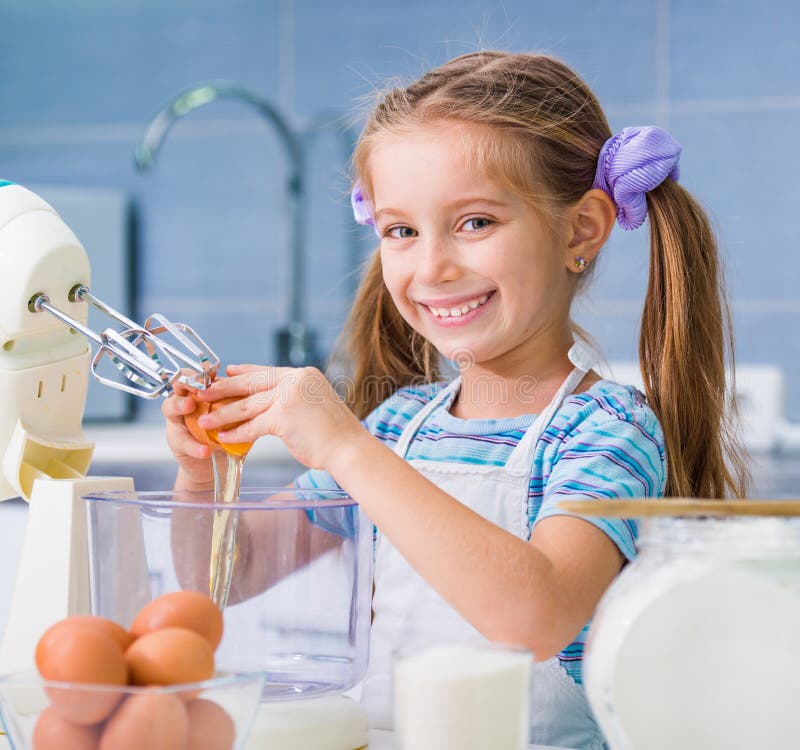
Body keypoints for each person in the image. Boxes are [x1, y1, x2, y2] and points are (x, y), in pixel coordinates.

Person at [162, 51, 748, 749]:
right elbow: (229, 576)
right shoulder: (400, 425)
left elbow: (537, 617)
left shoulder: (606, 431)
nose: (432, 267)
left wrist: (345, 446)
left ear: (580, 230)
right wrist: (203, 474)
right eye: (401, 231)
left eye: (474, 222)